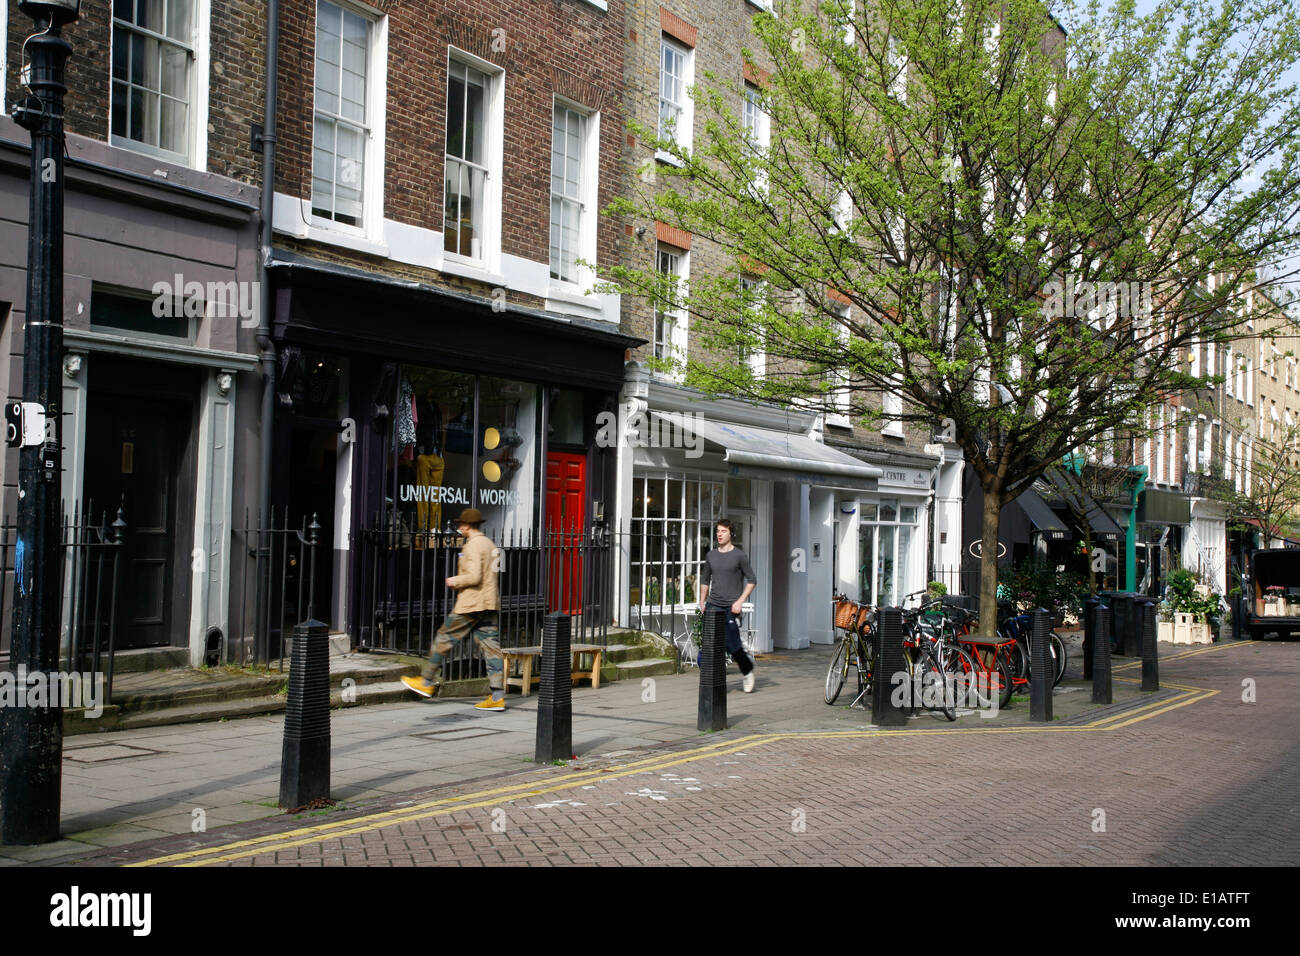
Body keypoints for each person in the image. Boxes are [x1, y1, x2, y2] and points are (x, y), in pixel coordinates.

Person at [401, 508, 506, 711]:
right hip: (489, 603)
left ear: (467, 526)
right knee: (491, 648)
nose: (459, 528)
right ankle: (498, 697)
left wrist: (454, 581)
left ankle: (425, 682)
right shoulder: (490, 544)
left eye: (461, 525)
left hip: (471, 603)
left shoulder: (473, 545)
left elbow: (474, 576)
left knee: (443, 637)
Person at [699, 518, 758, 692]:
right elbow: (705, 580)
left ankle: (747, 672)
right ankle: (713, 680)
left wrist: (739, 602)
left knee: (732, 646)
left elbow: (752, 580)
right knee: (708, 646)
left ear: (731, 534)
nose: (719, 534)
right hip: (713, 605)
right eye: (717, 531)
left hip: (731, 608)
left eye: (723, 531)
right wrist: (702, 601)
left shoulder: (739, 556)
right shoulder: (711, 555)